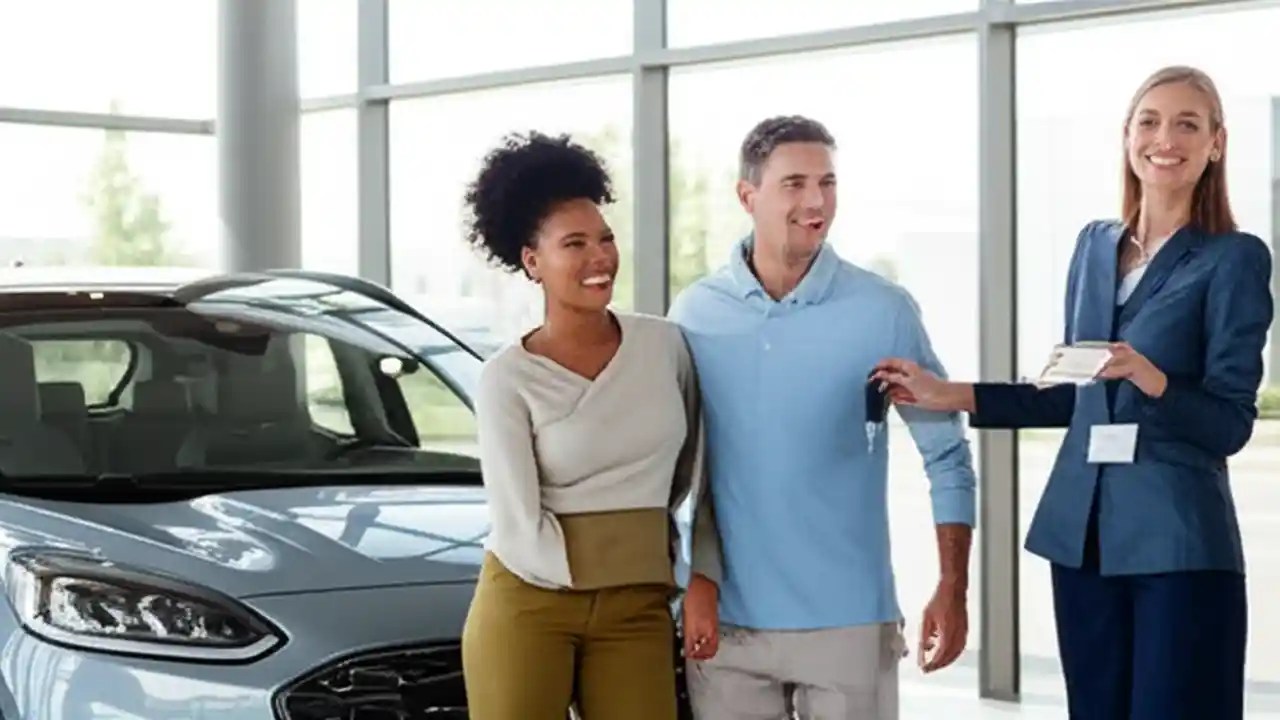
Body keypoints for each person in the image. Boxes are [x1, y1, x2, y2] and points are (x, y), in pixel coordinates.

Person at [873, 65, 1273, 720]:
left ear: (1216, 144)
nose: (1164, 138)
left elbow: (1229, 424)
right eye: (1149, 121)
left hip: (1177, 543)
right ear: (1126, 136)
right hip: (1082, 536)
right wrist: (949, 394)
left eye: (1187, 124)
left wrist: (1153, 379)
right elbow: (1068, 396)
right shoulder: (1094, 247)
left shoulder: (1234, 259)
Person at [670, 115, 978, 720]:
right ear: (747, 195)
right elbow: (675, 466)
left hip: (848, 620)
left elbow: (946, 454)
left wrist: (953, 585)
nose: (816, 202)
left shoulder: (883, 310)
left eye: (828, 183)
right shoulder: (696, 314)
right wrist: (687, 581)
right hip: (728, 622)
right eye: (794, 184)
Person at [458, 130, 722, 720]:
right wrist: (626, 550)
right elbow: (518, 520)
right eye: (573, 243)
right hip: (529, 602)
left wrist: (686, 567)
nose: (599, 257)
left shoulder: (665, 347)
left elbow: (695, 471)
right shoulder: (506, 378)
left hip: (638, 606)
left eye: (604, 238)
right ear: (533, 262)